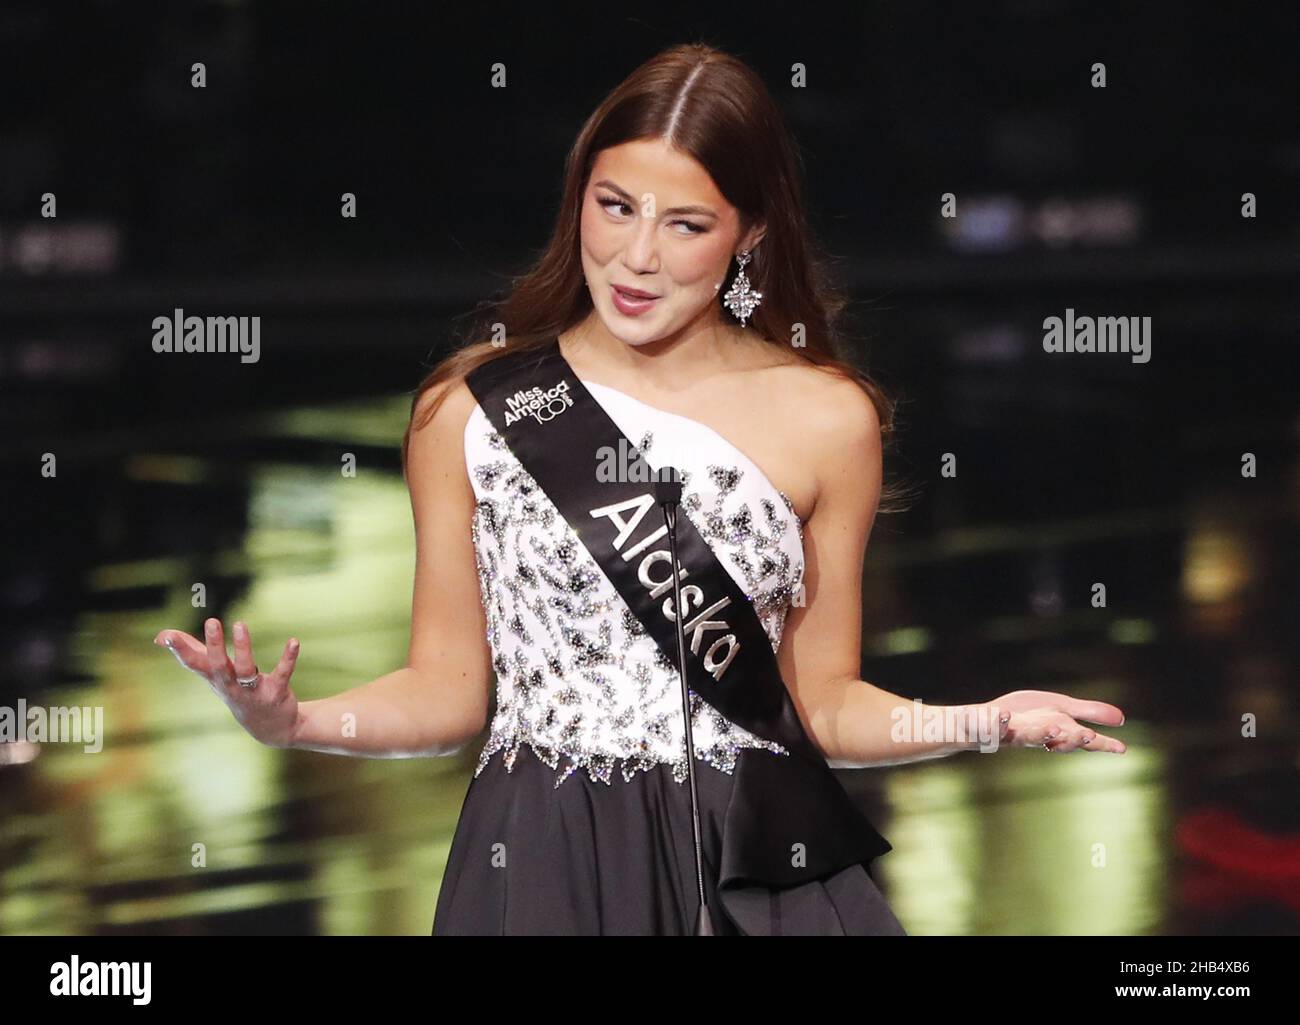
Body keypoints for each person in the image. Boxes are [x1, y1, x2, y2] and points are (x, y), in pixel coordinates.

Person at [153, 42, 1127, 936]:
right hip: (543, 853)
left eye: (686, 223)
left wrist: (982, 719)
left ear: (748, 233)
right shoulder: (471, 408)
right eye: (615, 205)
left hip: (753, 856)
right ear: (578, 194)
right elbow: (446, 692)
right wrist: (295, 721)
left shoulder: (828, 418)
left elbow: (821, 708)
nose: (637, 254)